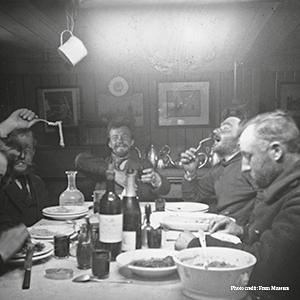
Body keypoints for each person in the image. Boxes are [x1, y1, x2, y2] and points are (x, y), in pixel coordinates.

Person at [176, 110, 300, 300]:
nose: (244, 167)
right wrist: (242, 230)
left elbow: (263, 271)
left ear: (276, 151)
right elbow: (268, 237)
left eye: (249, 156)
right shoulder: (281, 187)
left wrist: (197, 244)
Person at [180, 107, 257, 225]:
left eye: (225, 128)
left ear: (241, 140)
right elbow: (193, 199)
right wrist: (191, 173)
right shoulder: (219, 169)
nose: (216, 131)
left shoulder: (251, 166)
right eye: (219, 127)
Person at [75, 117, 170, 200]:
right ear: (109, 144)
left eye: (124, 136)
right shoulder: (101, 164)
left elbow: (165, 188)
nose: (120, 140)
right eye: (115, 137)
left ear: (132, 141)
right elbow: (80, 160)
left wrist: (158, 181)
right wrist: (115, 174)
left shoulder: (143, 164)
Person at [0, 128, 50, 227]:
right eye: (16, 149)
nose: (22, 156)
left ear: (33, 152)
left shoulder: (38, 183)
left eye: (27, 149)